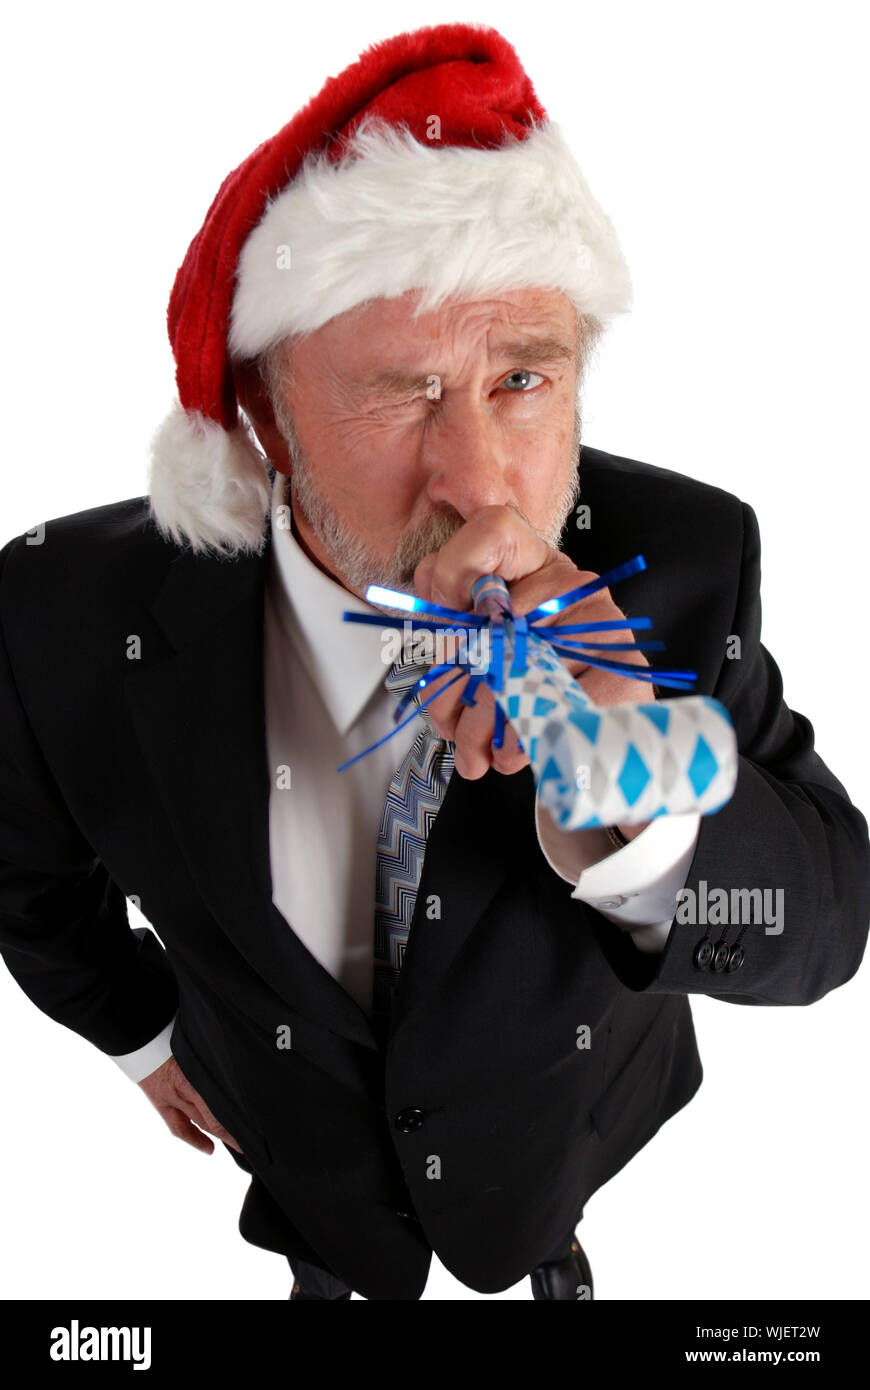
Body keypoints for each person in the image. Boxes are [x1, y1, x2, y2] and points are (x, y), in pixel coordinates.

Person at [0, 22, 867, 1302]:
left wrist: (635, 797)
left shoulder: (684, 562)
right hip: (300, 1160)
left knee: (532, 1216)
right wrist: (134, 1034)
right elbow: (29, 878)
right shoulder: (59, 605)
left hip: (566, 1133)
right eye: (403, 392)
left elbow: (828, 920)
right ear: (262, 414)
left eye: (523, 376)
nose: (476, 483)